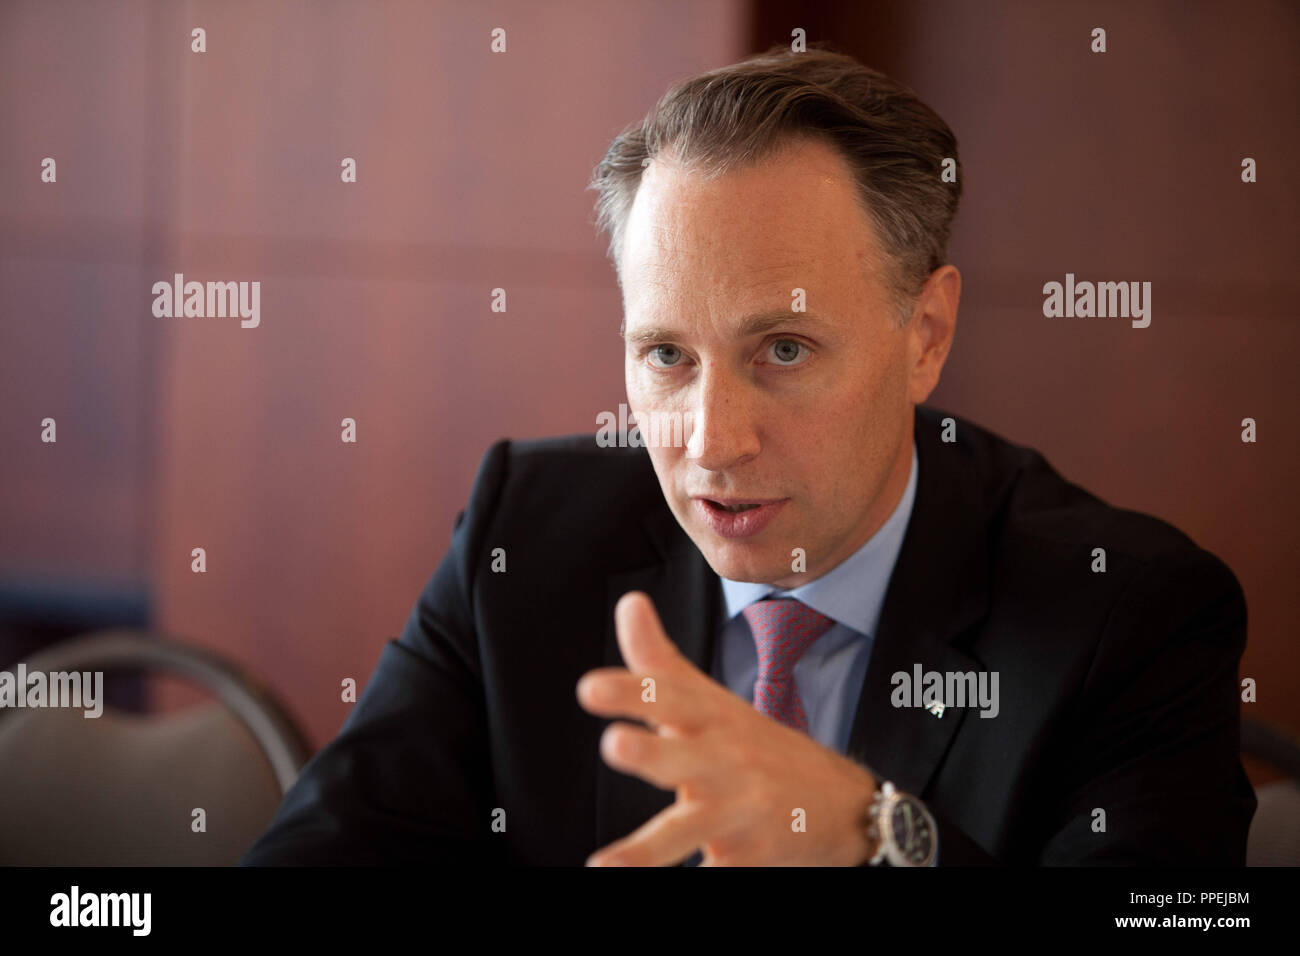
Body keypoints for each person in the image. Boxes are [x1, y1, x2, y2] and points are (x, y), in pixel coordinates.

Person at [241, 46, 1255, 866]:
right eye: (666, 355)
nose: (711, 441)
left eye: (783, 349)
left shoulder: (1128, 612)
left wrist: (876, 840)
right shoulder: (524, 535)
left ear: (926, 335)